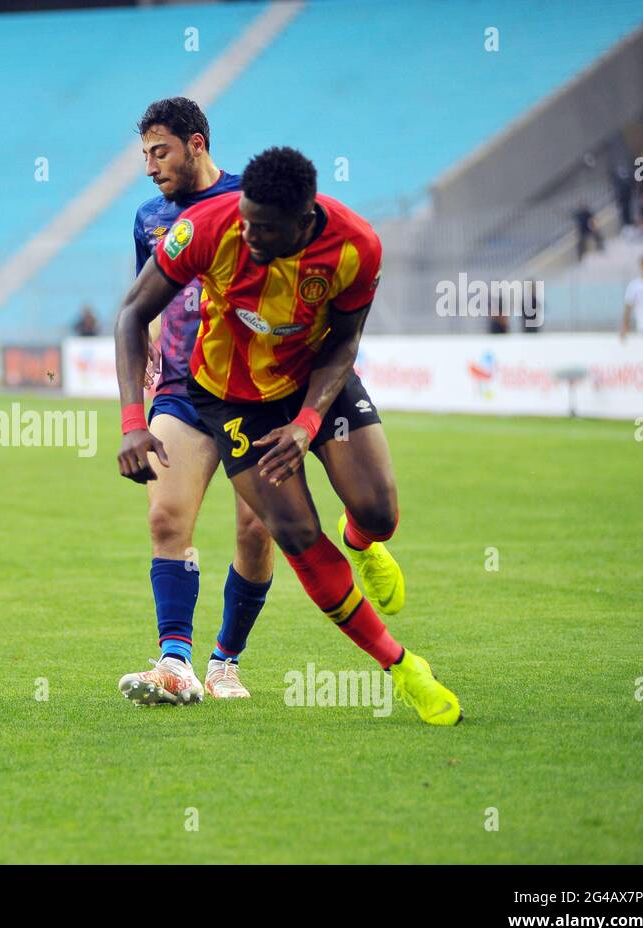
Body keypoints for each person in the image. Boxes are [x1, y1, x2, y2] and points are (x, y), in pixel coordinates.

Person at [114, 146, 462, 726]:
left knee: (379, 512)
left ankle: (361, 539)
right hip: (229, 398)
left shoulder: (357, 247)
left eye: (264, 229)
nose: (247, 234)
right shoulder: (205, 226)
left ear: (303, 223)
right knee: (295, 532)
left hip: (313, 380)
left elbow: (344, 342)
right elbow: (131, 314)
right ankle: (403, 667)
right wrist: (132, 423)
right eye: (245, 219)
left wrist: (305, 426)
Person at [116, 98, 272, 705]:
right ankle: (175, 663)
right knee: (165, 519)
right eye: (145, 155)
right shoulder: (149, 216)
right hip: (182, 390)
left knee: (256, 531)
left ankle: (226, 661)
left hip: (255, 393)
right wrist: (152, 346)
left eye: (162, 152)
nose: (152, 166)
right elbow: (142, 299)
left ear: (197, 144)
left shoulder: (249, 203)